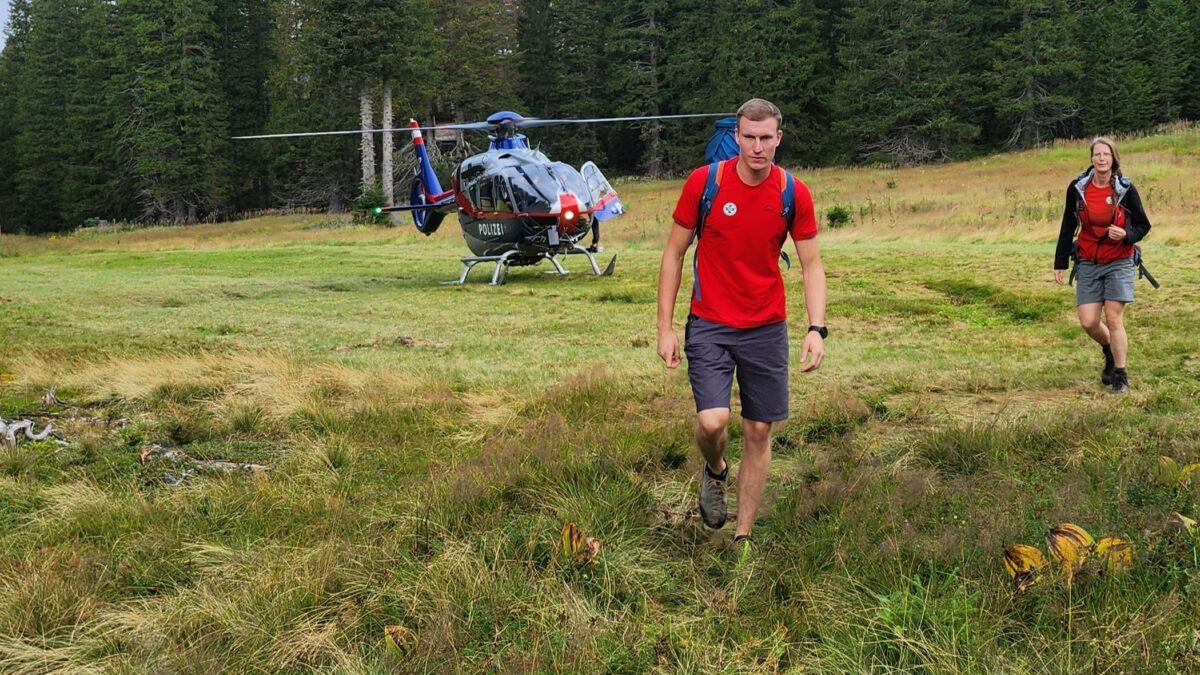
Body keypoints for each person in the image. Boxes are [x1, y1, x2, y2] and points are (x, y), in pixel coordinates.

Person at [656, 98, 827, 544]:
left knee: (758, 429)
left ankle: (743, 536)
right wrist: (665, 327)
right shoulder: (704, 183)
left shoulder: (793, 192)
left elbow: (811, 265)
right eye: (749, 137)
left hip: (766, 326)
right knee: (713, 423)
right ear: (736, 137)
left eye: (766, 138)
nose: (757, 147)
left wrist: (816, 327)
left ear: (778, 138)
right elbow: (674, 254)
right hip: (710, 323)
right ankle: (715, 470)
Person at [1053, 136, 1151, 393]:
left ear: (1113, 158)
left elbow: (1143, 225)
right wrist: (1060, 262)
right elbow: (1067, 225)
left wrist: (1127, 235)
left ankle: (1120, 374)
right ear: (1091, 159)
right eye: (1097, 154)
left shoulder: (1125, 190)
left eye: (1106, 154)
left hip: (1119, 260)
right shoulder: (1077, 189)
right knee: (1088, 321)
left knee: (1114, 317)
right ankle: (1109, 350)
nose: (1101, 159)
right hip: (1088, 260)